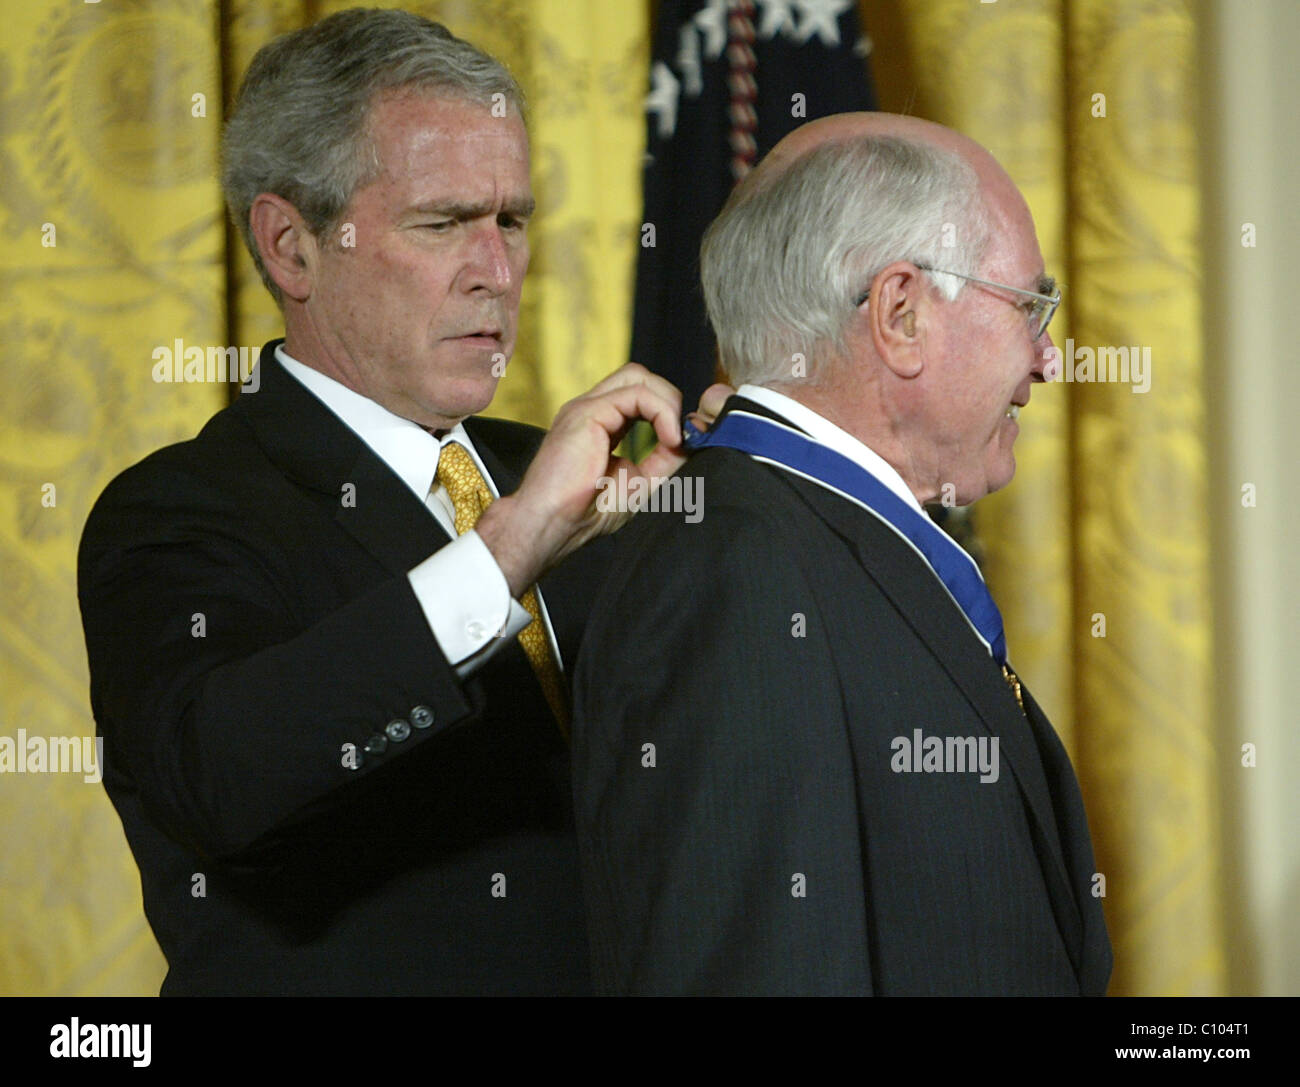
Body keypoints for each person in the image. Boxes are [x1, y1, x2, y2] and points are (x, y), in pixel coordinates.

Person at [77, 8, 717, 996]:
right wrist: (504, 553)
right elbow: (226, 776)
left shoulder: (568, 475)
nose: (496, 274)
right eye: (442, 222)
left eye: (510, 221)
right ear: (291, 248)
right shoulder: (176, 512)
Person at [571, 112, 1114, 996]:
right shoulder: (733, 572)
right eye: (1030, 307)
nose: (1048, 359)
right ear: (899, 314)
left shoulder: (816, 539)